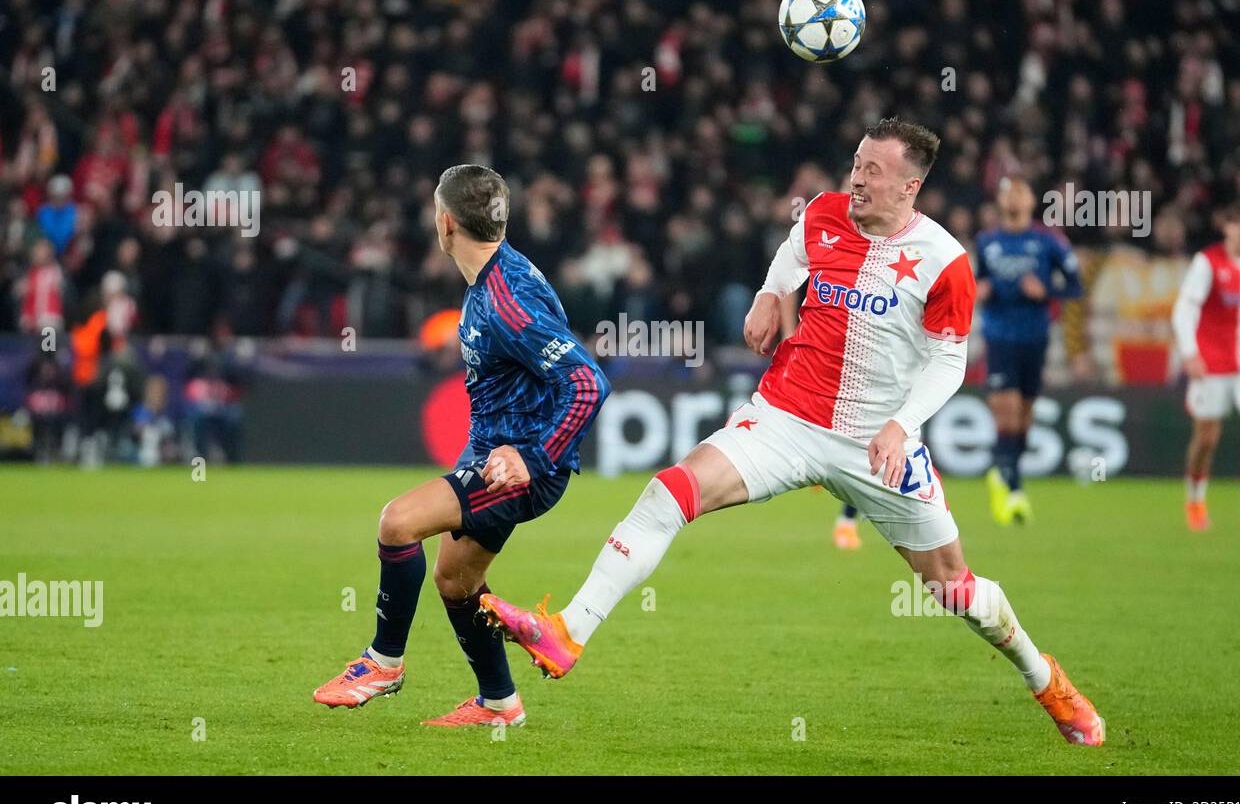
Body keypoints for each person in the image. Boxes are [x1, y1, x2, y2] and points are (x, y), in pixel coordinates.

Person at [481, 120, 1105, 746]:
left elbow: (947, 360)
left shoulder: (945, 262)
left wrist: (900, 426)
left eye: (874, 171)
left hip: (875, 443)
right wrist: (768, 293)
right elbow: (791, 254)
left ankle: (1044, 677)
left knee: (953, 587)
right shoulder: (824, 215)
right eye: (856, 163)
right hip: (785, 417)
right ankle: (568, 631)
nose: (857, 177)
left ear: (910, 187)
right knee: (667, 494)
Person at [312, 164, 610, 726]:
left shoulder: (506, 300)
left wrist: (533, 457)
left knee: (397, 522)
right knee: (456, 579)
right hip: (494, 454)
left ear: (446, 223)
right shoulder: (497, 278)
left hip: (519, 466)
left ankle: (383, 662)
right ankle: (499, 703)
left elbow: (588, 381)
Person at [974, 177, 1082, 524]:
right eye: (1008, 191)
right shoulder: (987, 241)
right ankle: (1013, 489)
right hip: (999, 336)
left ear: (1032, 200)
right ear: (1000, 200)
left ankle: (1004, 472)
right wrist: (981, 289)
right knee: (1005, 411)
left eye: (1021, 191)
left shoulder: (1049, 241)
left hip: (1035, 337)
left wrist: (1047, 290)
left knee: (1024, 416)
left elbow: (1076, 287)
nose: (1015, 197)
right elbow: (974, 282)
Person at [1172, 202, 1240, 534]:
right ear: (1226, 229)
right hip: (1213, 361)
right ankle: (1195, 500)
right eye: (1237, 224)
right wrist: (1190, 354)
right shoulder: (1207, 262)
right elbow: (1184, 310)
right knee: (1206, 438)